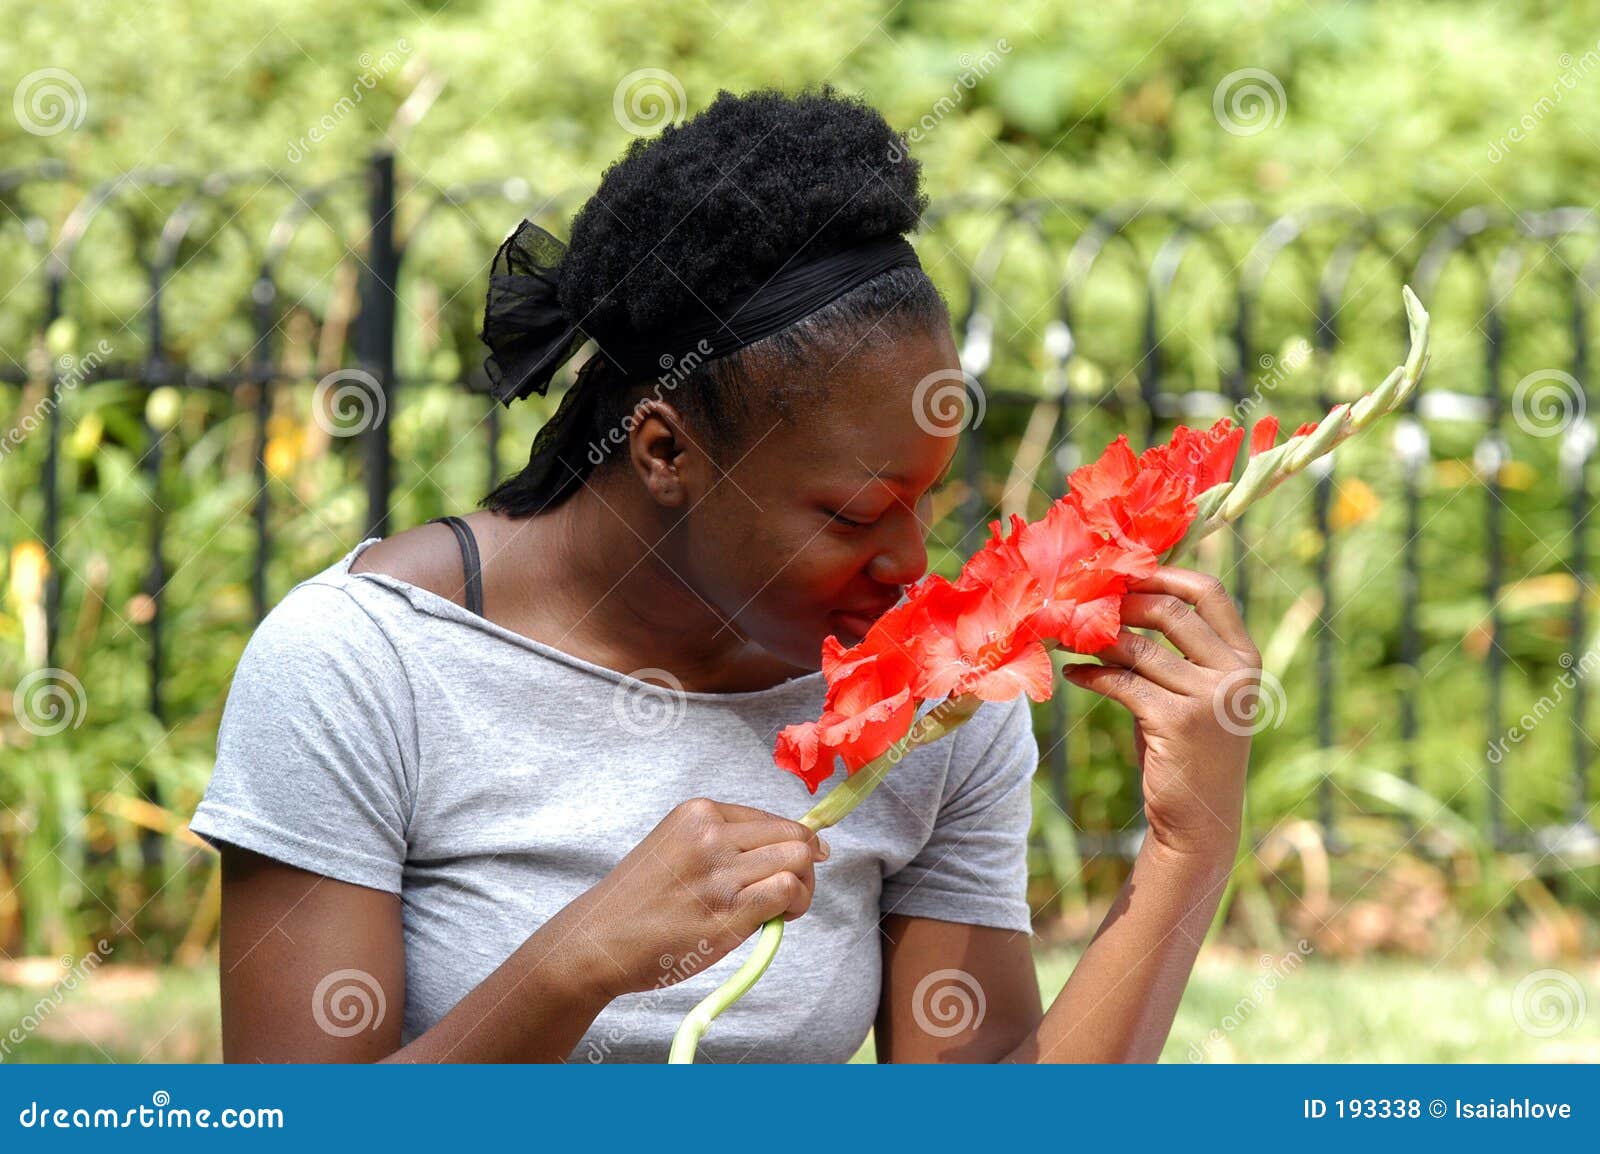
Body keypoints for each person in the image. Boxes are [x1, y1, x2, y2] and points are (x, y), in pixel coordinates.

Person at [190, 85, 1260, 1063]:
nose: (907, 563)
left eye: (924, 500)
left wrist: (1187, 848)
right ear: (663, 452)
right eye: (850, 512)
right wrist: (578, 960)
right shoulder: (364, 661)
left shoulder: (937, 701)